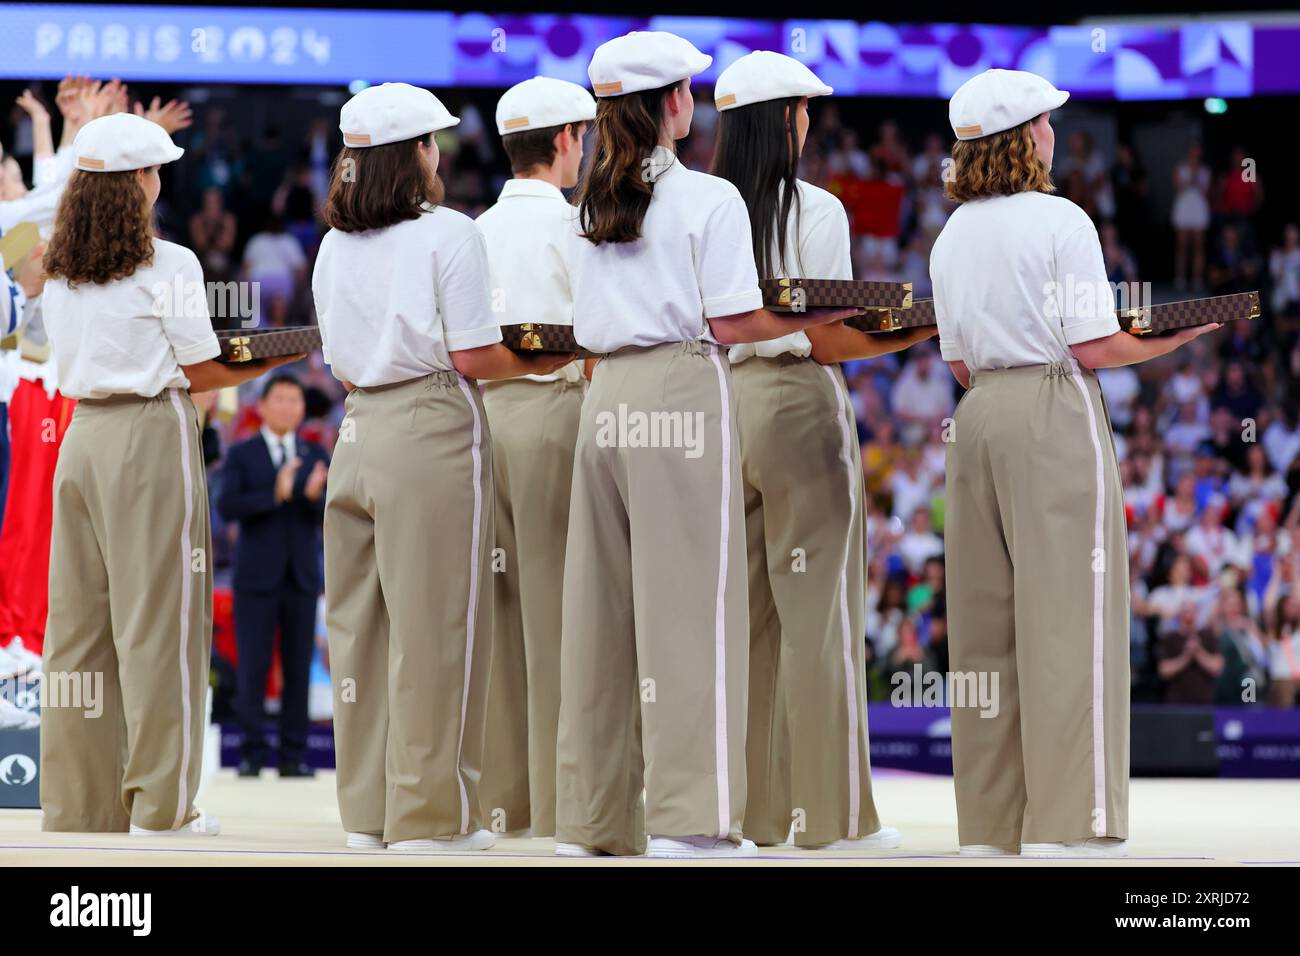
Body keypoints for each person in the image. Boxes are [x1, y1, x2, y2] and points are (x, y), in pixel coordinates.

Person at [553, 32, 862, 859]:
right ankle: (691, 819)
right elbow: (735, 322)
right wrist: (822, 311)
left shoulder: (590, 198)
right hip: (679, 388)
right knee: (693, 613)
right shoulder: (705, 199)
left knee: (598, 615)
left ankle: (592, 820)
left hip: (603, 397)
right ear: (674, 105)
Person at [930, 69, 1220, 858]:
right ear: (1028, 136)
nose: (1054, 132)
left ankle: (989, 829)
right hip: (1051, 409)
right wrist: (1180, 333)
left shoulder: (951, 234)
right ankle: (1071, 823)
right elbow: (1096, 345)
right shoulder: (1061, 220)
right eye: (1048, 122)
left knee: (985, 630)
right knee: (1071, 620)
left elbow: (957, 363)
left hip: (978, 413)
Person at [311, 83, 570, 853]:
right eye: (435, 144)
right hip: (429, 427)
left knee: (361, 632)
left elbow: (340, 366)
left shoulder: (332, 243)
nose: (441, 157)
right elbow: (475, 356)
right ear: (417, 153)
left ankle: (368, 815)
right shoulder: (447, 233)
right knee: (436, 631)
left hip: (357, 432)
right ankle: (430, 817)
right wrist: (573, 345)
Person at [38, 113, 297, 834]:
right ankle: (162, 805)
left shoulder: (58, 271)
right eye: (156, 171)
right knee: (160, 625)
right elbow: (203, 367)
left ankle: (78, 804)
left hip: (81, 436)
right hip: (148, 435)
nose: (161, 183)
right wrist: (284, 352)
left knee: (79, 632)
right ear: (137, 184)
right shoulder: (171, 263)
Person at [709, 51, 932, 851]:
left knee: (741, 625)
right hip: (799, 408)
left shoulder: (700, 209)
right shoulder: (818, 210)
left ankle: (750, 814)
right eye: (804, 109)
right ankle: (830, 820)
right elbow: (829, 339)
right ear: (786, 120)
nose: (811, 121)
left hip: (720, 410)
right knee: (821, 620)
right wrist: (918, 329)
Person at [474, 76, 594, 839]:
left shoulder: (472, 229)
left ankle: (499, 802)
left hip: (482, 419)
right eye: (581, 135)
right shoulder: (578, 229)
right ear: (562, 141)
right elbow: (598, 326)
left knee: (494, 615)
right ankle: (559, 803)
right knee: (559, 613)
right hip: (555, 410)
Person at [217, 374, 329, 780]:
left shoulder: (314, 452)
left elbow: (330, 516)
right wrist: (276, 495)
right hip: (255, 579)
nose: (287, 406)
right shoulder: (244, 453)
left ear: (302, 408)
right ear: (262, 406)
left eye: (294, 400)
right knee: (253, 666)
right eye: (279, 398)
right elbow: (228, 505)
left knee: (298, 667)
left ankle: (293, 756)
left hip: (300, 578)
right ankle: (250, 753)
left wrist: (312, 498)